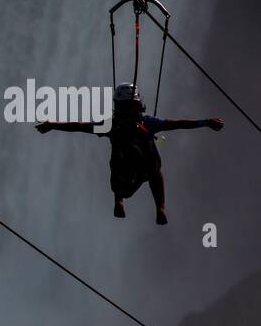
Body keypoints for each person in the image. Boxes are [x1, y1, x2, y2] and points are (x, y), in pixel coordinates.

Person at [36, 82, 223, 224]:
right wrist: (204, 122)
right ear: (138, 103)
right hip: (145, 169)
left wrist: (52, 125)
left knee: (118, 175)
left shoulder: (109, 125)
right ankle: (161, 207)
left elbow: (79, 127)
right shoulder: (148, 122)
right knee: (156, 173)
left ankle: (119, 200)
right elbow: (178, 124)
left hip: (123, 175)